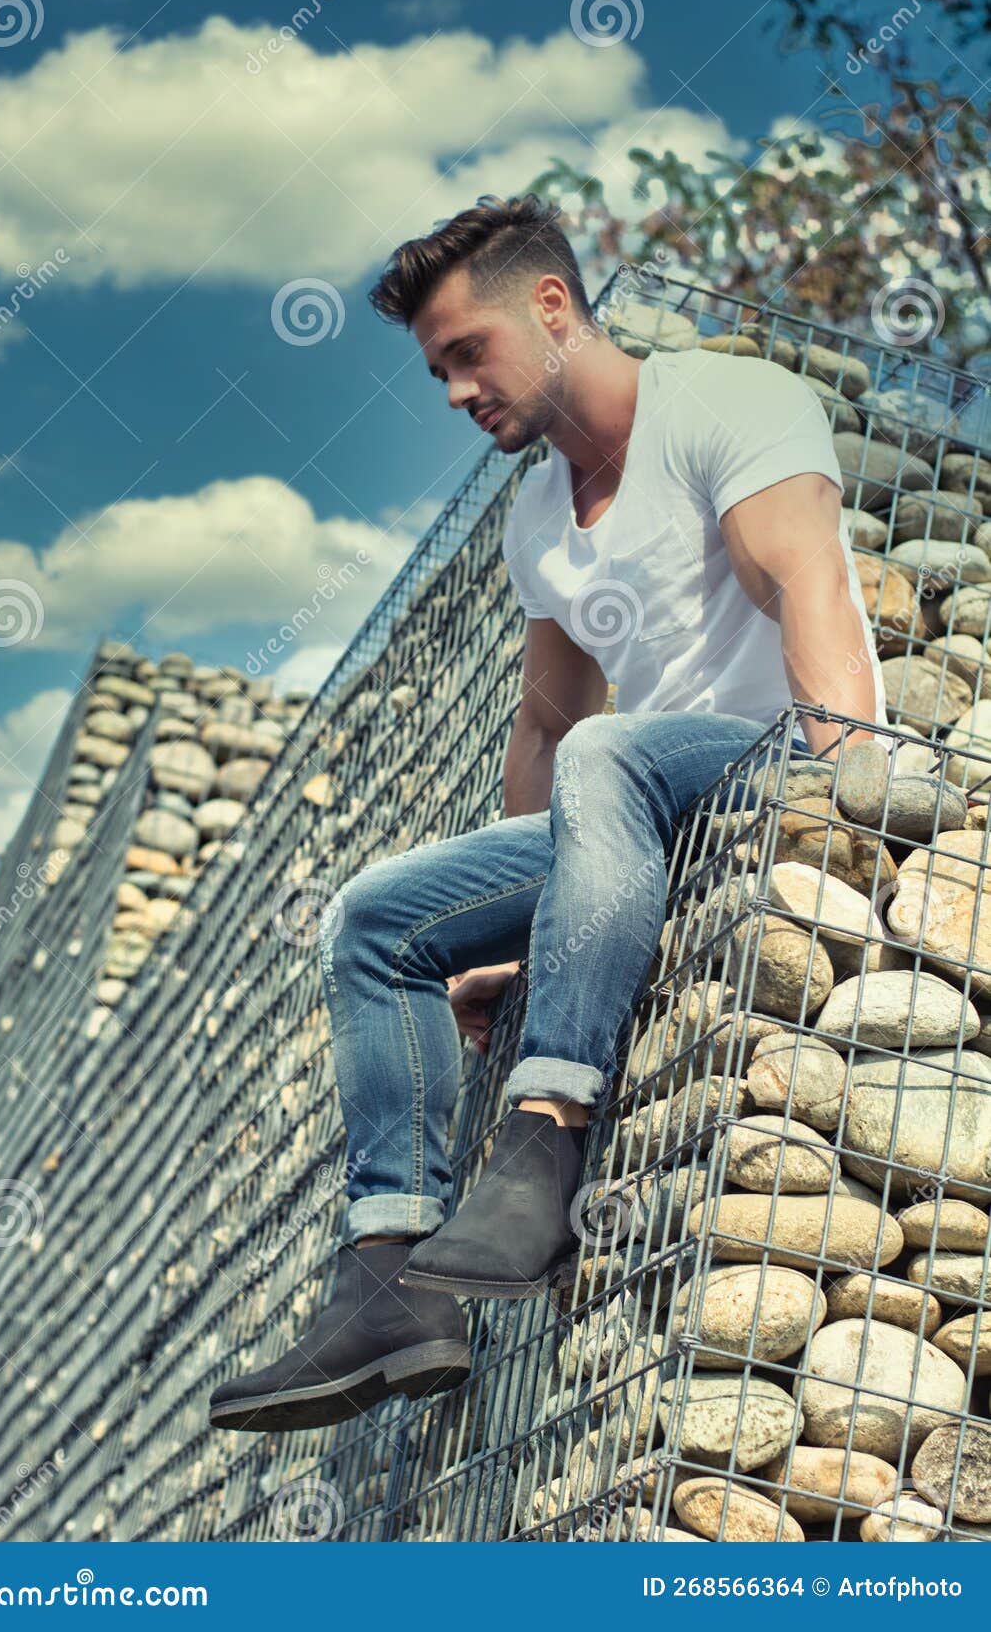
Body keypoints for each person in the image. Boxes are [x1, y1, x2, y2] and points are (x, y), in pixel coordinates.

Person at [209, 193, 888, 1435]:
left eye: (468, 352)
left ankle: (542, 1138)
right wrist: (516, 945)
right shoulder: (539, 516)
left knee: (615, 752)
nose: (455, 391)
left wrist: (852, 794)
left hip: (765, 757)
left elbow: (807, 583)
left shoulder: (723, 405)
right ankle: (387, 1275)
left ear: (552, 304)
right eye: (436, 371)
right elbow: (543, 721)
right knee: (371, 920)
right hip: (626, 796)